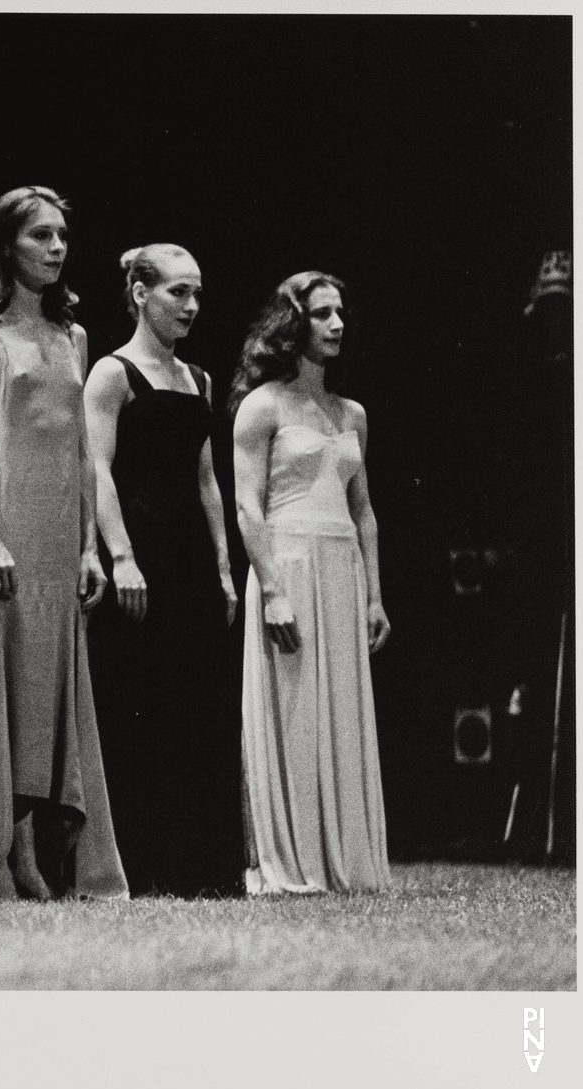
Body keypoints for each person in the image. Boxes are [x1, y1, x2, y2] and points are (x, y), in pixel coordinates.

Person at [0, 186, 127, 901]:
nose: (56, 248)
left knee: (44, 689)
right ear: (5, 243)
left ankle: (27, 851)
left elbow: (80, 453)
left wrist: (87, 547)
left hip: (54, 530)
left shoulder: (73, 336)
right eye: (40, 236)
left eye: (62, 237)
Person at [83, 243, 244, 898]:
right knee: (139, 705)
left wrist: (225, 567)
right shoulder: (112, 374)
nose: (192, 305)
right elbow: (96, 469)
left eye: (198, 292)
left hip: (191, 561)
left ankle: (200, 866)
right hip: (140, 551)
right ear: (141, 294)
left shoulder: (200, 379)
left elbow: (208, 481)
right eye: (179, 291)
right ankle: (142, 864)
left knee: (196, 711)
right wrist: (121, 555)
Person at [230, 271, 392, 893]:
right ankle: (293, 859)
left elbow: (365, 511)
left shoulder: (351, 412)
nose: (337, 323)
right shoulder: (262, 405)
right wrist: (271, 588)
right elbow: (249, 505)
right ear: (294, 324)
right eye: (323, 313)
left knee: (342, 709)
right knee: (294, 710)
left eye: (340, 312)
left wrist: (375, 595)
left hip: (342, 568)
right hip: (288, 563)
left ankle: (344, 857)